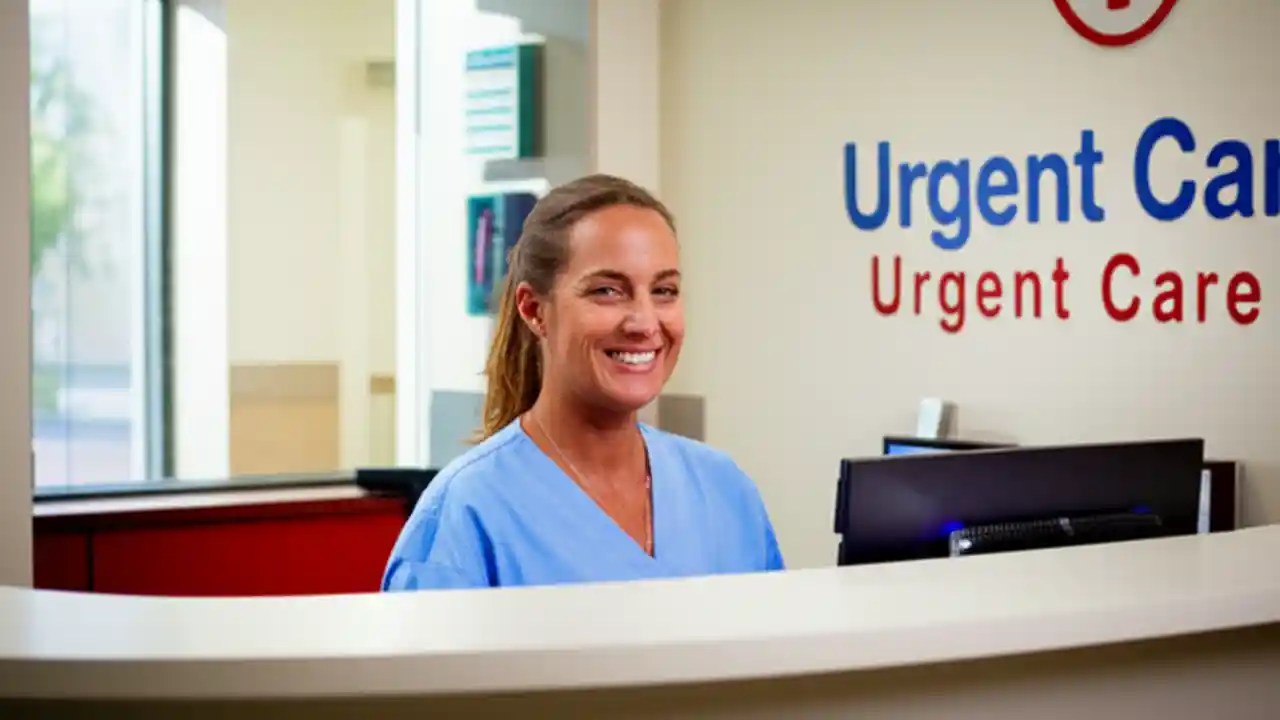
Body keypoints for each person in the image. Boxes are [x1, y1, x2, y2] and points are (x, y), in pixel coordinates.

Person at [381, 174, 784, 591]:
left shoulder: (724, 490)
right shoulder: (466, 513)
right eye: (608, 291)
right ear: (535, 310)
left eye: (664, 290)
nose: (645, 322)